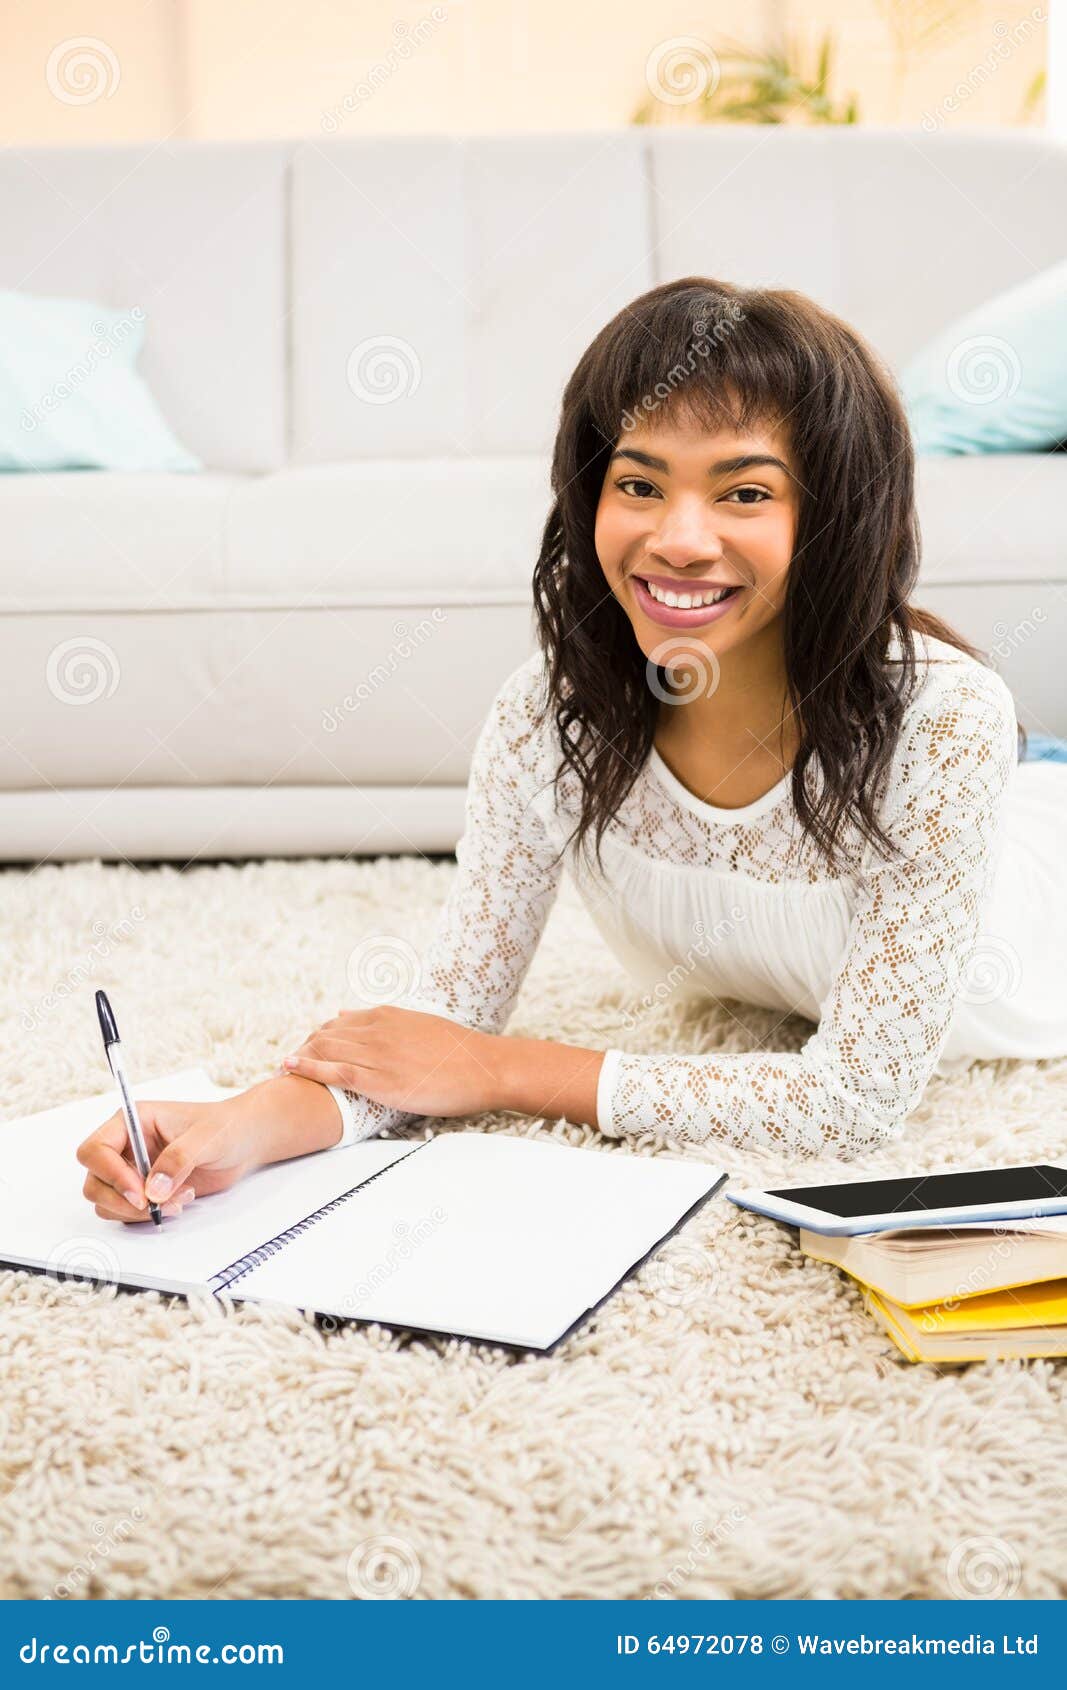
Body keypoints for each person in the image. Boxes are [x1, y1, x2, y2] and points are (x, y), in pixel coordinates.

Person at [77, 276, 1067, 1223]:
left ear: (832, 518)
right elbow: (442, 1019)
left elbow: (852, 1100)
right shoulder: (551, 719)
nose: (677, 538)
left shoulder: (941, 722)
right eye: (638, 482)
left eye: (743, 494)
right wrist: (237, 1129)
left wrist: (505, 1070)